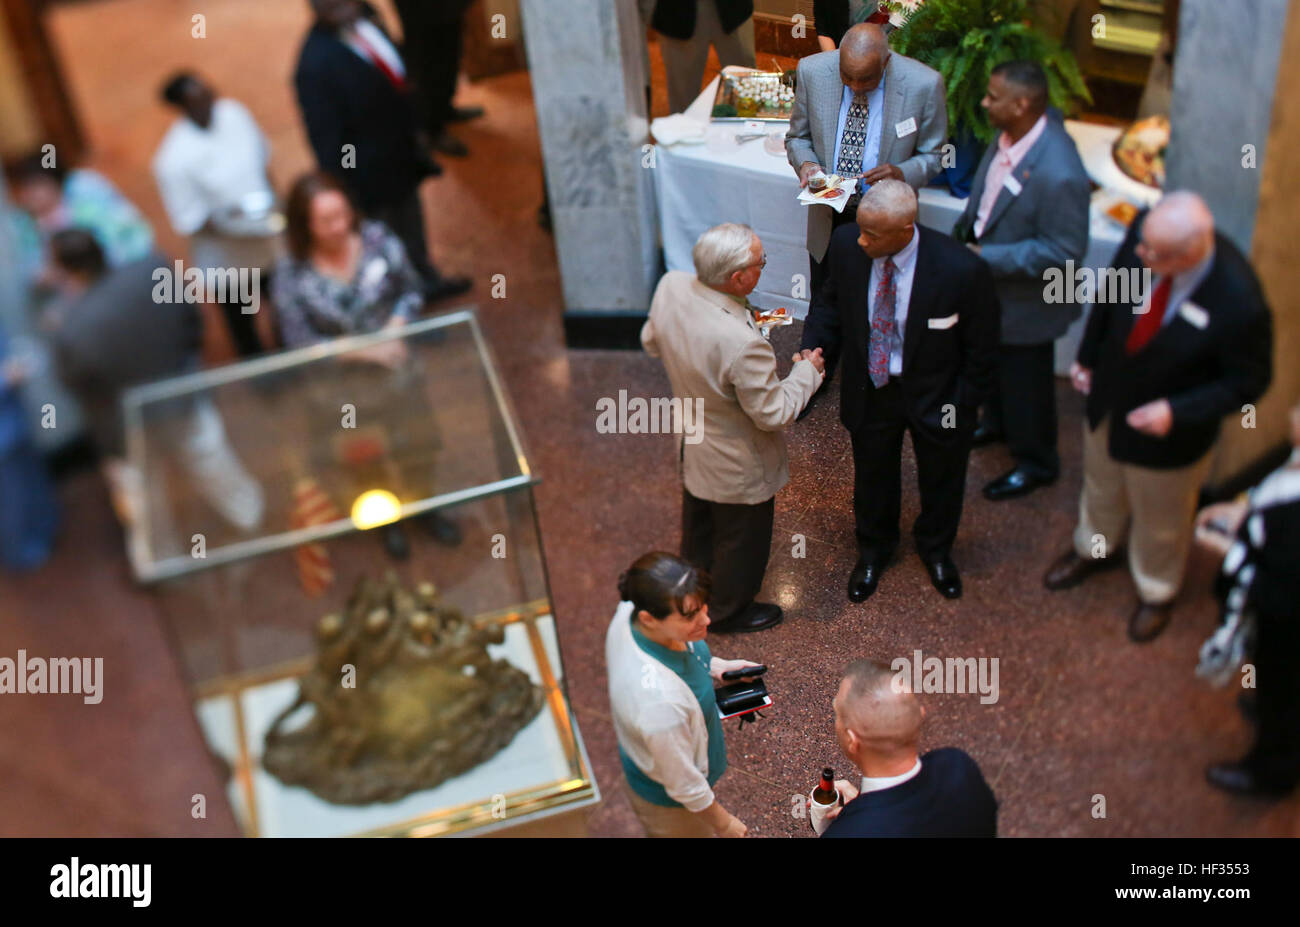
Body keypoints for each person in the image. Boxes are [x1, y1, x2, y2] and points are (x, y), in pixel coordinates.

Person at [1043, 192, 1273, 643]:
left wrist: (1177, 411)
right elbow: (1111, 297)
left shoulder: (1238, 300)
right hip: (1110, 400)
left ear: (1189, 254)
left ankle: (1158, 588)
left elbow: (1248, 384)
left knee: (1161, 517)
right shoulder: (1149, 232)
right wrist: (1088, 357)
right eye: (1143, 245)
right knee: (1101, 484)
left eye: (1152, 253)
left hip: (1169, 437)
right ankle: (1097, 546)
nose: (1140, 255)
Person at [801, 180, 998, 602]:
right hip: (872, 385)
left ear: (906, 230)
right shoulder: (846, 245)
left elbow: (983, 350)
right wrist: (811, 347)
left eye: (873, 234)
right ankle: (874, 550)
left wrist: (964, 405)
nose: (861, 240)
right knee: (872, 475)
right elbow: (829, 302)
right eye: (861, 229)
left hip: (938, 394)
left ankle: (936, 549)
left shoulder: (961, 270)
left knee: (942, 477)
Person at [641, 223, 824, 633]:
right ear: (738, 278)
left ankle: (691, 594)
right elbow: (773, 414)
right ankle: (726, 611)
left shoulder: (670, 285)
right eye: (761, 262)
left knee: (699, 526)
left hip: (691, 440)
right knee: (741, 541)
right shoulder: (742, 345)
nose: (763, 266)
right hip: (736, 460)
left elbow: (651, 342)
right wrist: (806, 374)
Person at [272, 171, 461, 558]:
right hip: (343, 396)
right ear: (304, 225)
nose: (338, 227)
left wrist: (395, 326)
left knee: (418, 447)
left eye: (342, 215)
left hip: (399, 379)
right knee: (364, 461)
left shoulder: (377, 239)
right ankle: (386, 521)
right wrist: (367, 350)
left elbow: (410, 288)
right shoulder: (291, 273)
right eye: (325, 221)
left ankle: (423, 507)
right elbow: (297, 340)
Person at [44, 229, 263, 533]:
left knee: (145, 503)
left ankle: (162, 563)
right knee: (214, 465)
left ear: (65, 270)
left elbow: (73, 384)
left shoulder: (69, 327)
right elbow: (193, 323)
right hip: (182, 397)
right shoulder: (153, 270)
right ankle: (252, 520)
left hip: (125, 426)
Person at [954, 61, 1090, 501]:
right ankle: (996, 424)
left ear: (1022, 104)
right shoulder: (1010, 131)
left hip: (1029, 304)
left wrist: (984, 256)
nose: (984, 102)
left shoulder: (1061, 172)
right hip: (994, 293)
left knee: (1026, 387)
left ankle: (1036, 462)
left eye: (993, 97)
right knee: (992, 368)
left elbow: (1064, 252)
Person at [293, 0, 470, 303]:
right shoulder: (314, 66)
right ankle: (406, 305)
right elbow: (329, 141)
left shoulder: (368, 18)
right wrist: (350, 184)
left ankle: (426, 279)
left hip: (401, 156)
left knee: (412, 227)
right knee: (386, 248)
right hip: (369, 178)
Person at [785, 21, 946, 338]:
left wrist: (902, 173)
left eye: (867, 79)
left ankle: (874, 368)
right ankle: (819, 366)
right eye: (847, 77)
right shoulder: (813, 72)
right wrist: (806, 165)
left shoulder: (923, 84)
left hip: (883, 213)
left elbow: (938, 155)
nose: (856, 87)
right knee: (825, 299)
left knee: (877, 304)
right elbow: (797, 138)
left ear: (886, 63)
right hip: (827, 212)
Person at [605, 551, 762, 837]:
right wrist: (724, 824)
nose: (707, 619)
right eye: (691, 615)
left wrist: (719, 669)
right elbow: (685, 786)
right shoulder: (658, 707)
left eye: (704, 606)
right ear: (649, 619)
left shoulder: (630, 613)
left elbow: (686, 660)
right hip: (673, 808)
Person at [1194, 402, 1300, 798]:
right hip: (1279, 606)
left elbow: (1282, 569)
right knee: (1278, 678)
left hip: (1286, 614)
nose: (1294, 415)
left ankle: (1272, 771)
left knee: (1282, 679)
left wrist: (1231, 548)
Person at [153, 72, 281, 357]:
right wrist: (239, 223)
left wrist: (272, 210)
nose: (207, 102)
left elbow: (262, 161)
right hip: (228, 261)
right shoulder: (172, 157)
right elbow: (189, 218)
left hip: (267, 242)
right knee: (245, 332)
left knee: (284, 312)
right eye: (195, 99)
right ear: (181, 107)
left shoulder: (234, 114)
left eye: (207, 93)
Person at [817, 659, 997, 837]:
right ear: (921, 714)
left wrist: (854, 821)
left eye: (837, 714)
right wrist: (859, 810)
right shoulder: (958, 767)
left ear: (852, 740)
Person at [6, 153, 153, 287]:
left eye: (36, 185)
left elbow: (130, 235)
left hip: (123, 274)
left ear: (54, 179)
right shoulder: (25, 224)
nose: (30, 195)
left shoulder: (86, 192)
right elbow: (30, 269)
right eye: (24, 189)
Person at [0, 325, 59, 571]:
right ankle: (21, 554)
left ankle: (46, 528)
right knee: (11, 502)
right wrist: (6, 378)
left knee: (33, 484)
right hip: (5, 438)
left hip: (15, 422)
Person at [393, 0, 483, 159]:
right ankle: (431, 129)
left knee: (450, 52)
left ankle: (445, 108)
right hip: (419, 8)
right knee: (427, 62)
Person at [651, 0, 756, 115]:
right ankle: (686, 130)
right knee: (684, 99)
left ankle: (751, 130)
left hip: (733, 8)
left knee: (745, 86)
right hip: (678, 10)